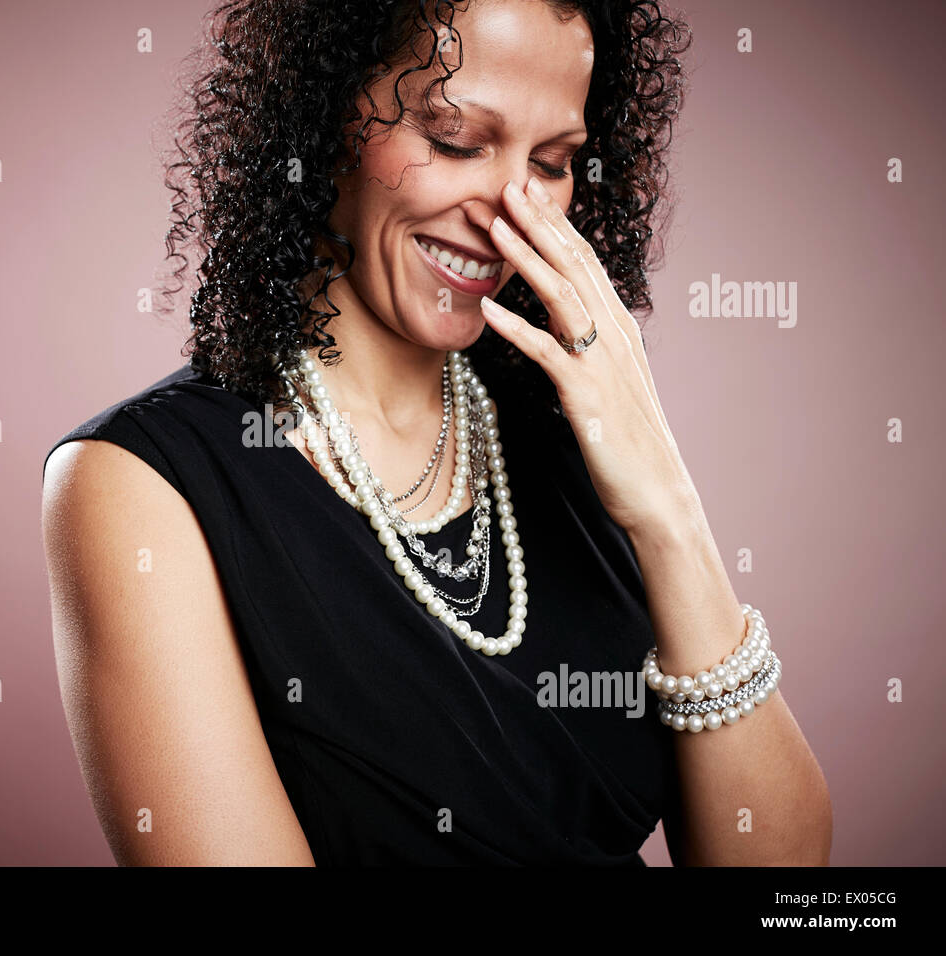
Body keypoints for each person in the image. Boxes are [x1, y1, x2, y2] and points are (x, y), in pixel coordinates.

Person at [41, 0, 832, 865]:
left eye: (553, 163)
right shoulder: (146, 484)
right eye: (456, 142)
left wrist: (668, 510)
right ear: (324, 116)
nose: (510, 210)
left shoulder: (565, 431)